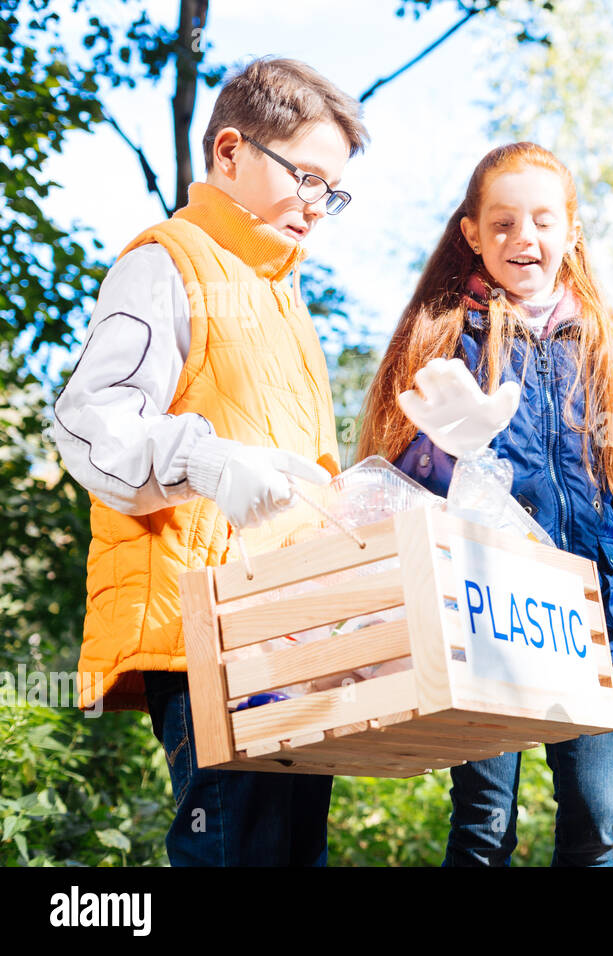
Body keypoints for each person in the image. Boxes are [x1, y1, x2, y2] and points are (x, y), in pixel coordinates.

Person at [358, 142, 613, 866]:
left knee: (598, 820)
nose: (525, 238)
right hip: (484, 611)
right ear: (473, 234)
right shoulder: (441, 337)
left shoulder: (600, 347)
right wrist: (448, 447)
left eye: (543, 221)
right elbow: (396, 484)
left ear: (571, 231)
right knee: (486, 824)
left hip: (586, 619)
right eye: (503, 224)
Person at [51, 58, 369, 865]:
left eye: (333, 192)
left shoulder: (286, 304)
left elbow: (316, 484)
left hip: (289, 636)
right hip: (207, 635)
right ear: (230, 152)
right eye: (306, 177)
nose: (317, 206)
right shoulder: (166, 262)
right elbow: (88, 420)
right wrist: (209, 461)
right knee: (235, 850)